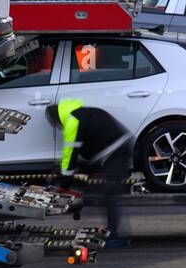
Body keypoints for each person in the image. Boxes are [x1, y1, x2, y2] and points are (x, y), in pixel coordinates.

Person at [51, 99, 134, 248]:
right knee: (105, 192)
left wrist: (64, 186)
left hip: (115, 153)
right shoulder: (83, 113)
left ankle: (116, 237)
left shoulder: (73, 122)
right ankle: (115, 234)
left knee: (110, 195)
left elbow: (70, 157)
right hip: (115, 149)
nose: (58, 128)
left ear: (57, 119)